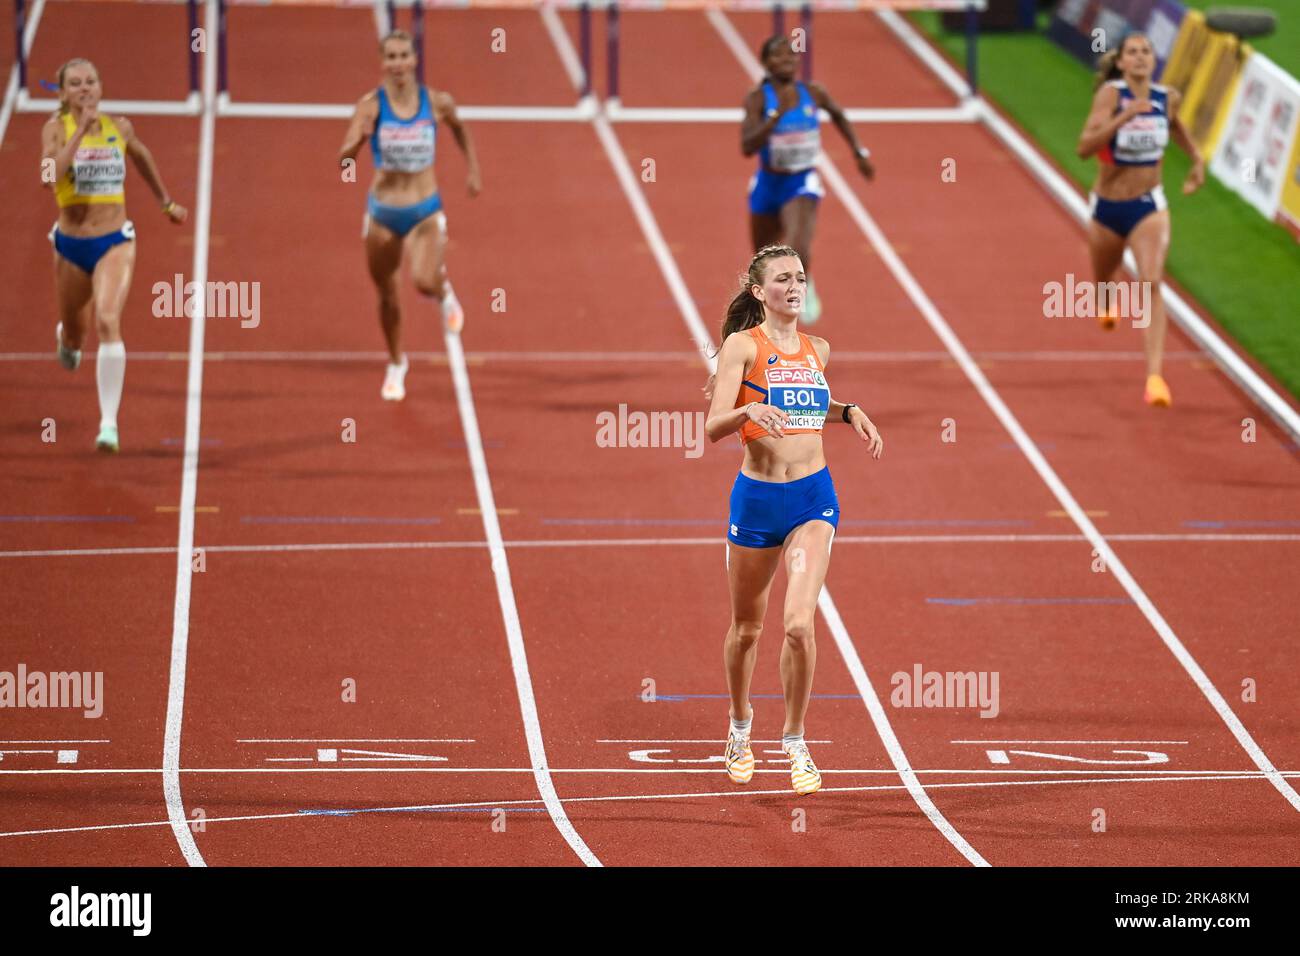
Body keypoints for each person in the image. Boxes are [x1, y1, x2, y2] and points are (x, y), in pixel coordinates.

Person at [704, 244, 883, 795]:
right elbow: (713, 426)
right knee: (747, 629)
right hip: (757, 502)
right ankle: (739, 726)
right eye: (783, 279)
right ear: (761, 292)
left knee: (799, 625)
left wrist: (848, 411)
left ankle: (796, 739)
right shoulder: (742, 346)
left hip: (813, 499)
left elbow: (806, 407)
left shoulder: (818, 349)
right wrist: (745, 411)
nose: (795, 286)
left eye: (800, 277)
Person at [42, 58, 188, 452]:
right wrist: (79, 136)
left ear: (101, 88)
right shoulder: (54, 130)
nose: (85, 89)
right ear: (63, 94)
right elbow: (47, 178)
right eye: (75, 84)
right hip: (72, 245)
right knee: (76, 338)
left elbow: (141, 157)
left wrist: (166, 202)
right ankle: (67, 338)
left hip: (114, 241)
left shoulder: (119, 128)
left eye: (91, 81)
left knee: (108, 320)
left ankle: (109, 424)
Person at [339, 29, 481, 401]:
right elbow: (343, 161)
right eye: (391, 57)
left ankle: (443, 290)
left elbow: (461, 130)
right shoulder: (370, 106)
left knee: (421, 280)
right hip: (383, 212)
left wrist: (473, 170)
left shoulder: (437, 102)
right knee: (387, 295)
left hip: (424, 210)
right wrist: (357, 140)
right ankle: (396, 363)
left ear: (415, 59)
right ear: (382, 62)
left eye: (404, 55)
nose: (398, 63)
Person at [1076, 31, 1204, 407]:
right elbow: (1084, 148)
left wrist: (1196, 159)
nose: (1140, 57)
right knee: (1103, 279)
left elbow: (1175, 123)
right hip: (1107, 207)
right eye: (1132, 52)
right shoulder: (1111, 96)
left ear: (1153, 59)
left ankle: (1154, 379)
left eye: (1146, 51)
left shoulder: (1167, 98)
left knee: (1151, 281)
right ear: (1120, 62)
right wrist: (1124, 117)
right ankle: (1104, 301)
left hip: (1149, 206)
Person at [741, 36, 874, 325]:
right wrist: (776, 116)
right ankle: (765, 313)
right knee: (762, 258)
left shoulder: (813, 93)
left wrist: (859, 151)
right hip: (767, 184)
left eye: (792, 55)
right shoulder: (759, 99)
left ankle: (804, 282)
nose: (788, 60)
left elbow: (838, 114)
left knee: (797, 246)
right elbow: (747, 146)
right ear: (766, 62)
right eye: (779, 56)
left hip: (801, 182)